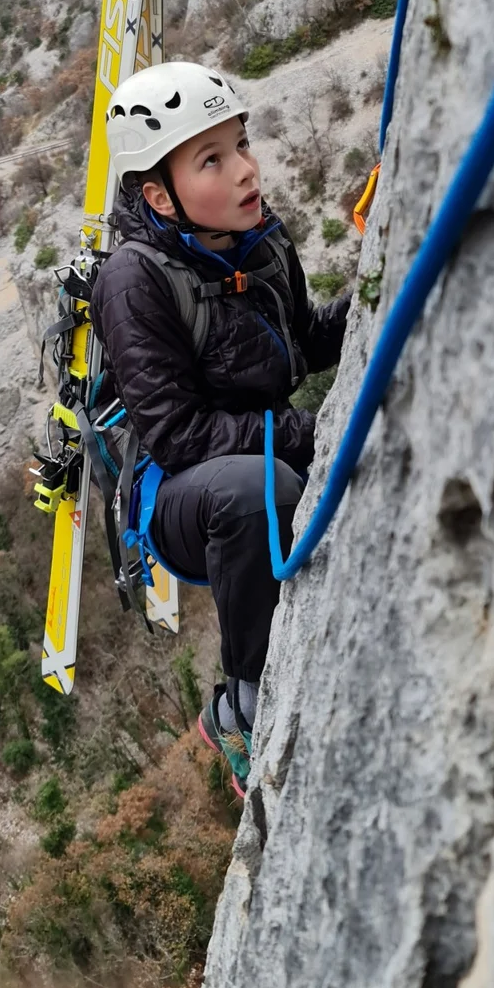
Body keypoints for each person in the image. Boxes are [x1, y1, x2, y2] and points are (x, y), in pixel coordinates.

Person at [90, 61, 349, 795]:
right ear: (157, 197)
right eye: (212, 159)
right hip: (175, 494)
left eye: (240, 144)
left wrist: (380, 292)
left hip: (239, 457)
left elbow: (304, 338)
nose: (245, 170)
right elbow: (177, 437)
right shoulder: (133, 281)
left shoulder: (260, 240)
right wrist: (302, 432)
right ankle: (242, 701)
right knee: (261, 486)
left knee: (275, 478)